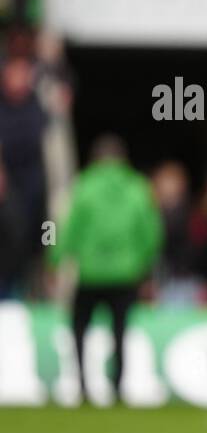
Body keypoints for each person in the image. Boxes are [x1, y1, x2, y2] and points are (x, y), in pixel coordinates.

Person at [49, 135, 163, 403]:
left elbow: (63, 229)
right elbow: (152, 232)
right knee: (120, 331)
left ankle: (83, 386)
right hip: (126, 273)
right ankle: (118, 385)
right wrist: (144, 265)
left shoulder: (83, 186)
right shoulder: (138, 187)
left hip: (90, 273)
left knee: (79, 328)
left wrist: (54, 260)